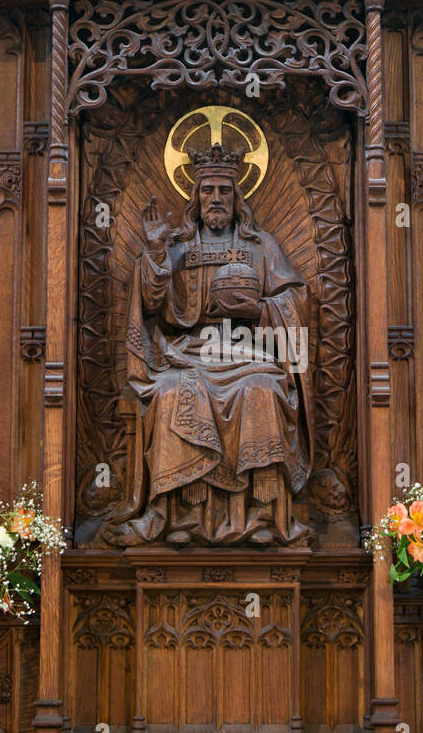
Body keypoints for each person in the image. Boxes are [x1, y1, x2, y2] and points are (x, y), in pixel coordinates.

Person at [103, 143, 313, 546]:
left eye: (224, 190)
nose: (215, 198)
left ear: (238, 198)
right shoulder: (177, 247)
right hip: (188, 353)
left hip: (247, 350)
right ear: (195, 198)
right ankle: (179, 517)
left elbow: (296, 301)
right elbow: (151, 307)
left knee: (264, 390)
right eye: (207, 191)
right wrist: (155, 253)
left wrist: (259, 310)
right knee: (169, 393)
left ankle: (261, 518)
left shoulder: (261, 246)